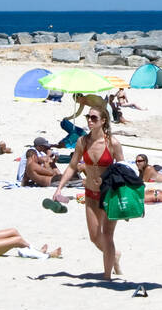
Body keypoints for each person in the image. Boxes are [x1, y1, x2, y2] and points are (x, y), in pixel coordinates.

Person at [46, 101, 125, 279]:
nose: (89, 120)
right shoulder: (83, 142)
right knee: (95, 237)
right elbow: (73, 166)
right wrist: (59, 188)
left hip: (109, 194)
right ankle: (114, 256)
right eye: (88, 117)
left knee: (107, 235)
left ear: (103, 121)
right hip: (90, 193)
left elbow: (124, 171)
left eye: (93, 118)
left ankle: (107, 276)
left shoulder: (113, 143)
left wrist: (124, 201)